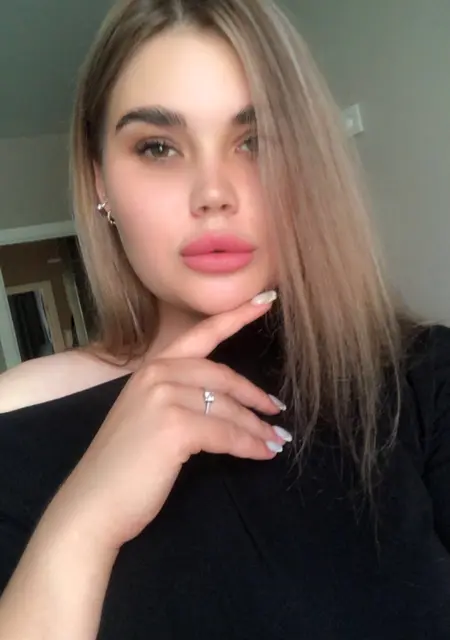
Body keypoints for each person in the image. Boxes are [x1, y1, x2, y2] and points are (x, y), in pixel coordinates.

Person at [0, 0, 449, 637]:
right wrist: (83, 521)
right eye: (159, 147)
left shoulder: (422, 380)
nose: (214, 192)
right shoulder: (13, 423)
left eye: (255, 142)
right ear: (100, 182)